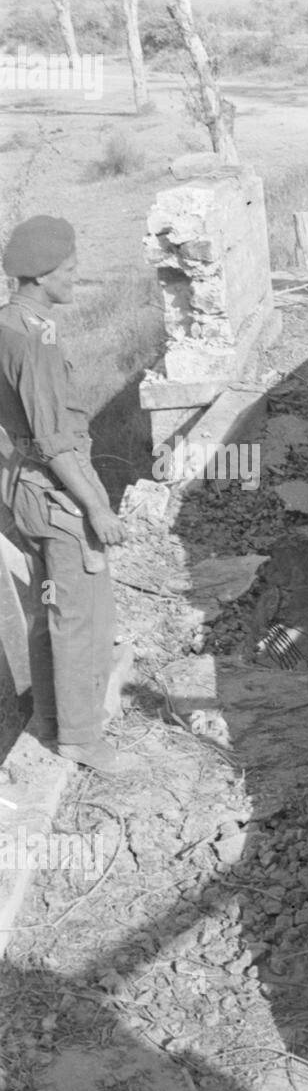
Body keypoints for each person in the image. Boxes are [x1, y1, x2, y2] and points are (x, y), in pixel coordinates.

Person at [0, 216, 141, 775]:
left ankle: (54, 720)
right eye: (69, 271)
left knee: (49, 609)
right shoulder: (32, 343)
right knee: (80, 615)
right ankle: (81, 739)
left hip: (25, 493)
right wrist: (97, 508)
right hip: (56, 492)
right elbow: (55, 443)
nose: (75, 280)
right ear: (38, 277)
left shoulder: (10, 324)